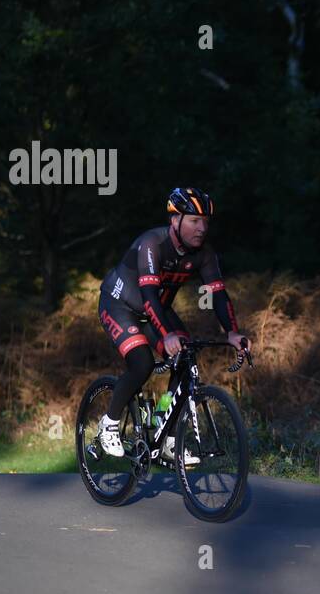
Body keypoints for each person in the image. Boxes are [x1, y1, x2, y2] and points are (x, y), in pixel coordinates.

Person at [96, 187, 248, 458]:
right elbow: (150, 295)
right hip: (120, 305)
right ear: (174, 220)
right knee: (141, 362)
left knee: (184, 359)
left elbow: (218, 295)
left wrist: (233, 333)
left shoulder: (204, 254)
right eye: (194, 220)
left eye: (206, 222)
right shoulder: (152, 244)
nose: (202, 228)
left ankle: (164, 432)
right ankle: (109, 422)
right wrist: (166, 335)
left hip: (156, 309)